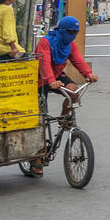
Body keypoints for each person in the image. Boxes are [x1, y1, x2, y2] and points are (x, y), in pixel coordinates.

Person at [31, 16, 98, 177]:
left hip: (56, 76)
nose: (72, 35)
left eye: (75, 32)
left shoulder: (69, 45)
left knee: (73, 91)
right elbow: (44, 63)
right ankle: (37, 160)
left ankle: (63, 118)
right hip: (39, 79)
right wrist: (51, 81)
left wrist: (88, 74)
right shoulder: (46, 42)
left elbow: (78, 60)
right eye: (69, 32)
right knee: (40, 120)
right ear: (61, 30)